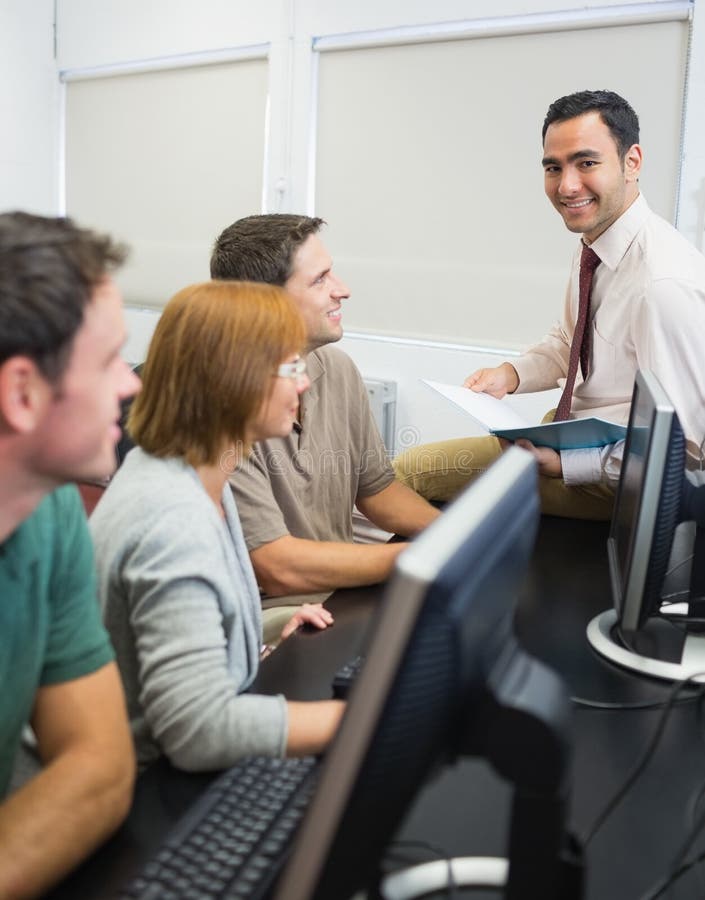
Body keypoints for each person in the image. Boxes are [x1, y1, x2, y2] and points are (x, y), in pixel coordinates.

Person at [394, 89, 705, 519]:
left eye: (587, 163)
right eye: (553, 168)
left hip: (616, 480)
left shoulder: (662, 283)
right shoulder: (598, 241)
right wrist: (511, 374)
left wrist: (567, 465)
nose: (567, 185)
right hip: (574, 435)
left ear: (632, 162)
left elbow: (681, 448)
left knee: (407, 472)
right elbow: (571, 339)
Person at [90, 281, 345, 772]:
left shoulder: (200, 471)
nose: (305, 382)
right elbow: (200, 733)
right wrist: (363, 722)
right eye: (290, 367)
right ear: (234, 379)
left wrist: (259, 636)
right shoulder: (172, 520)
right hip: (145, 790)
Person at [210, 214, 440, 637]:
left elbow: (377, 491)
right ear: (265, 302)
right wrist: (416, 561)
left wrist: (453, 537)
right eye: (319, 280)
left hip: (342, 596)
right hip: (273, 624)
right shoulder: (221, 405)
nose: (343, 289)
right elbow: (276, 568)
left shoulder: (335, 367)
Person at [0, 211, 140, 897]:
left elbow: (100, 764)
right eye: (109, 359)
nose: (131, 384)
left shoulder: (49, 509)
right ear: (22, 393)